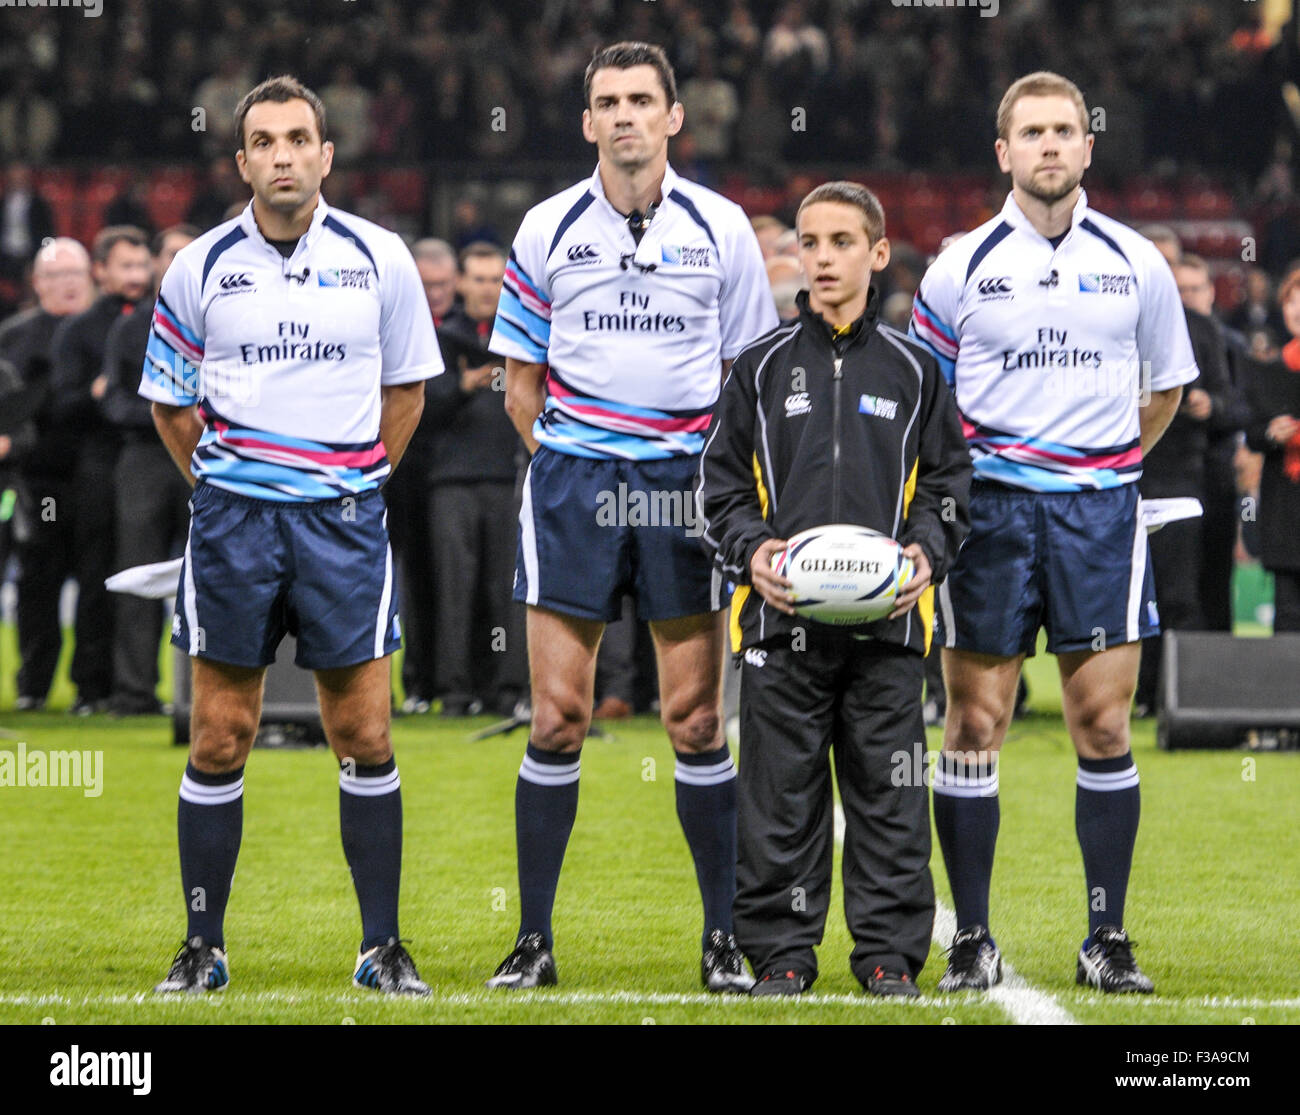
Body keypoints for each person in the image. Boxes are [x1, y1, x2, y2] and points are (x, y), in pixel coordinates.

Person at [485, 41, 777, 992]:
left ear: (673, 117)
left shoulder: (724, 228)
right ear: (586, 122)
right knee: (559, 715)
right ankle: (533, 940)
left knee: (695, 720)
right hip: (574, 482)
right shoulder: (545, 226)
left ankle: (722, 938)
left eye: (642, 100)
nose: (624, 117)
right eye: (607, 101)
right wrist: (563, 462)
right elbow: (519, 382)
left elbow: (752, 379)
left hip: (685, 487)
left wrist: (720, 486)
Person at [142, 75, 441, 995]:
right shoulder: (197, 267)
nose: (282, 154)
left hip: (344, 524)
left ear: (325, 153)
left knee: (364, 731)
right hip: (232, 523)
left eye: (297, 138)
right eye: (263, 141)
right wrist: (229, 486)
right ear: (241, 162)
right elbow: (169, 402)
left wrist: (354, 485)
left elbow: (406, 393)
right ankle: (202, 947)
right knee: (219, 735)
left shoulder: (380, 256)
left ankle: (381, 946)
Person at [909, 72, 1198, 995]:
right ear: (1003, 152)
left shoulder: (1138, 261)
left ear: (1087, 145)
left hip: (1099, 513)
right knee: (973, 723)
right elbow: (927, 400)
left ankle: (1105, 938)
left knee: (1105, 725)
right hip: (988, 514)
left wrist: (1100, 466)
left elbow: (1164, 392)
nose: (1048, 144)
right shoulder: (958, 264)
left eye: (1064, 130)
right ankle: (973, 938)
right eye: (1030, 131)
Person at [698, 181, 971, 997]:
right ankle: (782, 954)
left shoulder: (918, 371)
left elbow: (951, 487)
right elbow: (718, 492)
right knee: (780, 801)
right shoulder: (758, 369)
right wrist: (753, 554)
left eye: (841, 242)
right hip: (782, 628)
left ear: (878, 253)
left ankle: (888, 956)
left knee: (890, 797)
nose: (822, 258)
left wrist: (925, 552)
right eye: (810, 242)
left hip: (889, 629)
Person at [50, 224, 153, 714]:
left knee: (142, 576)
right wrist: (99, 396)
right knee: (96, 575)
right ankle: (91, 686)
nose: (137, 275)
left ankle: (135, 686)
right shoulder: (78, 330)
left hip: (144, 464)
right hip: (93, 467)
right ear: (101, 270)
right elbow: (59, 404)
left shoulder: (160, 320)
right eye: (126, 266)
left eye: (141, 265)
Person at [101, 225, 200, 715]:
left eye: (189, 254)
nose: (179, 262)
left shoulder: (220, 318)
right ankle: (133, 692)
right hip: (143, 461)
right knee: (138, 574)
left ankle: (199, 694)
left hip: (206, 459)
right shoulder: (132, 325)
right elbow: (112, 401)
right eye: (171, 255)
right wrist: (173, 413)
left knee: (207, 580)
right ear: (158, 263)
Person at [424, 240, 526, 717]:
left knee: (506, 593)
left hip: (508, 478)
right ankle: (455, 690)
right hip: (451, 482)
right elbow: (417, 406)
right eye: (479, 279)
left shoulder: (520, 333)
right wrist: (460, 386)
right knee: (453, 590)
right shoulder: (438, 337)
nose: (487, 289)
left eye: (495, 280)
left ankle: (505, 690)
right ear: (462, 283)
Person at [0, 238, 94, 711]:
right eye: (57, 276)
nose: (68, 285)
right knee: (38, 580)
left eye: (76, 274)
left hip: (99, 476)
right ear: (37, 283)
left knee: (100, 585)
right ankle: (33, 687)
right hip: (38, 484)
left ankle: (95, 689)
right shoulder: (13, 338)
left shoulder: (106, 330)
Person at [1244, 267, 1300, 632]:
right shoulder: (1270, 367)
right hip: (1285, 505)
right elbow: (1250, 433)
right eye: (1291, 300)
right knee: (1289, 611)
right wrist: (1270, 434)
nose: (1298, 308)